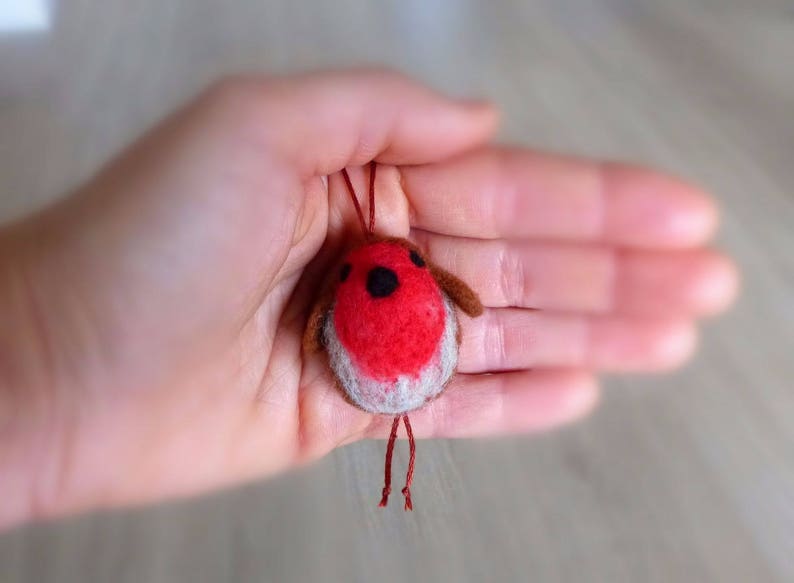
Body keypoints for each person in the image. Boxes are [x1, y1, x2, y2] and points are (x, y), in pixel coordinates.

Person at [0, 69, 737, 529]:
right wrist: (45, 358)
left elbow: (394, 311)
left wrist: (46, 360)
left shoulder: (355, 288)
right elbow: (451, 304)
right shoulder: (363, 283)